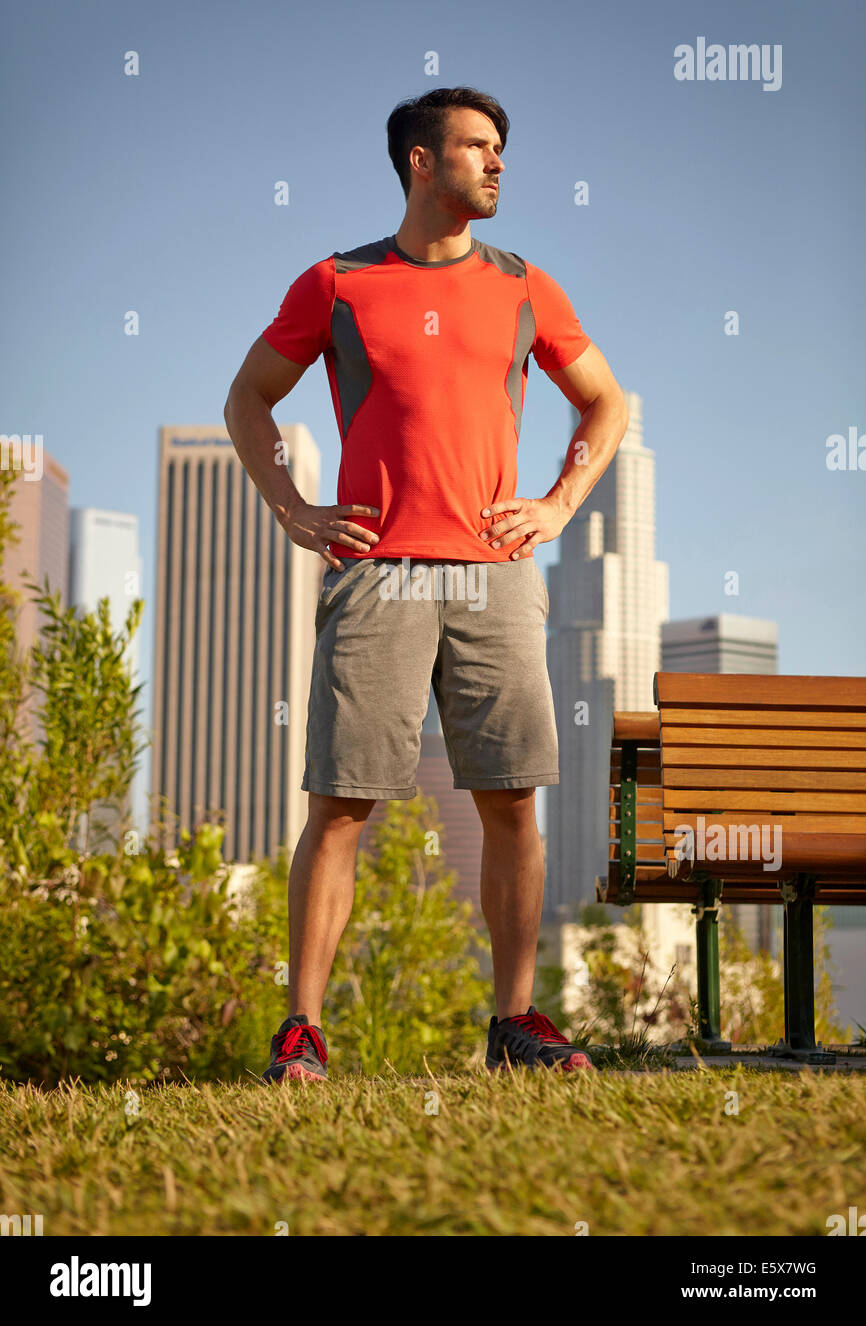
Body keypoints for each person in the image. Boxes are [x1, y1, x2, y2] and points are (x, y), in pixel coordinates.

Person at [224, 86, 629, 1082]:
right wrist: (292, 509)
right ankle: (303, 1030)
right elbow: (248, 396)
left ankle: (515, 1022)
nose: (496, 163)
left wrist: (559, 505)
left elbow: (605, 402)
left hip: (495, 573)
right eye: (475, 147)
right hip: (378, 573)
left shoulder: (526, 285)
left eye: (500, 149)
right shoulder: (337, 282)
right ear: (418, 161)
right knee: (342, 802)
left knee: (509, 802)